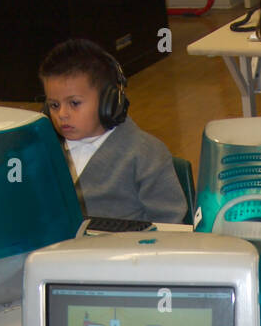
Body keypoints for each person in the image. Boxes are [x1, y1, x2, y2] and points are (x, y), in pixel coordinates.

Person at [39, 38, 187, 223]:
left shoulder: (145, 153)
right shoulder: (44, 150)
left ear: (109, 102)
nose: (62, 114)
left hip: (128, 249)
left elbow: (169, 225)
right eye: (53, 105)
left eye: (74, 103)